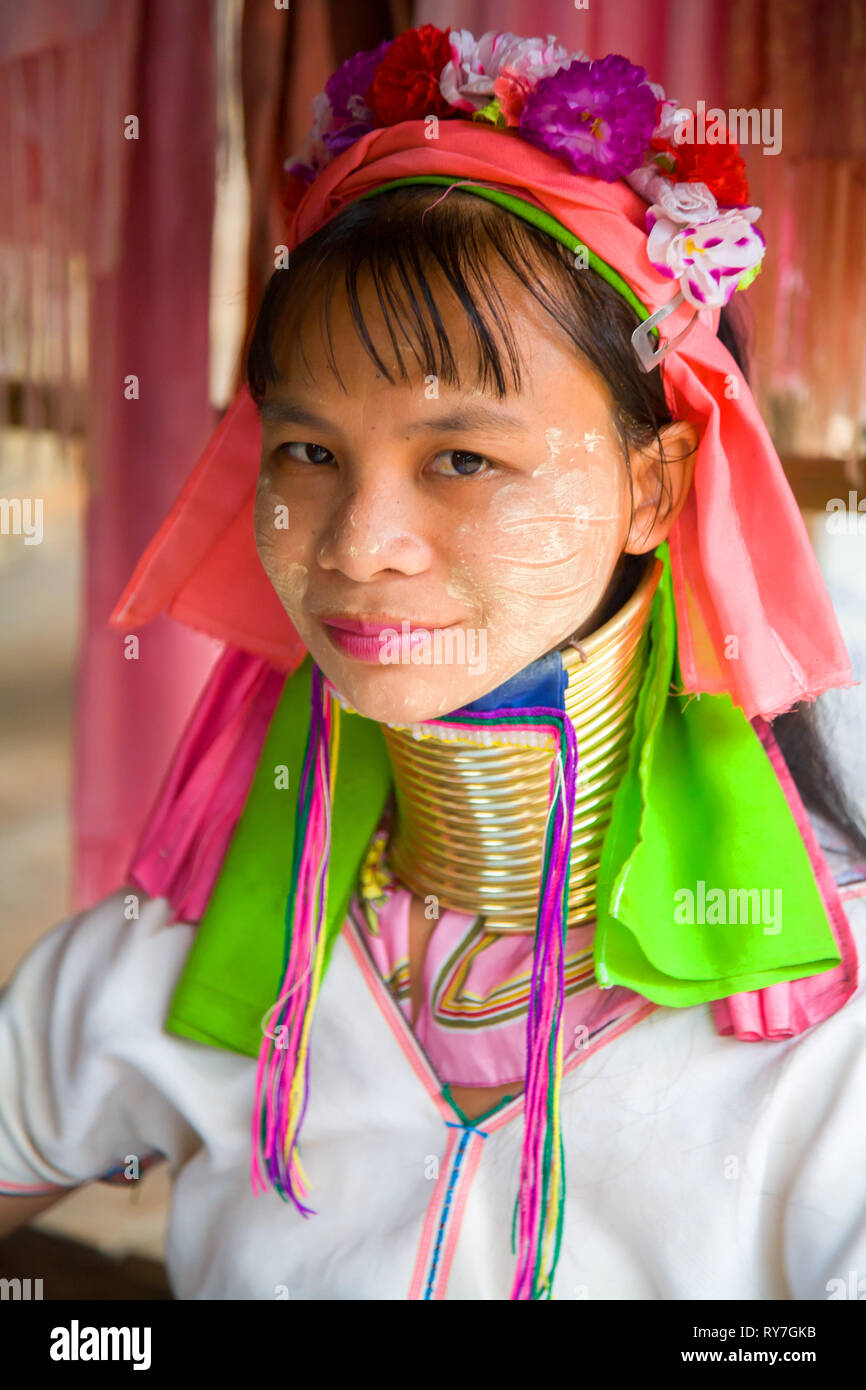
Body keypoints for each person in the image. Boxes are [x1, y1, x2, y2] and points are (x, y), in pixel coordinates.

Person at [2, 28, 865, 1301]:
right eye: (307, 452)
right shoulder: (179, 959)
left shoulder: (828, 1048)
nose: (357, 545)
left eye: (463, 459)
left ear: (650, 485)